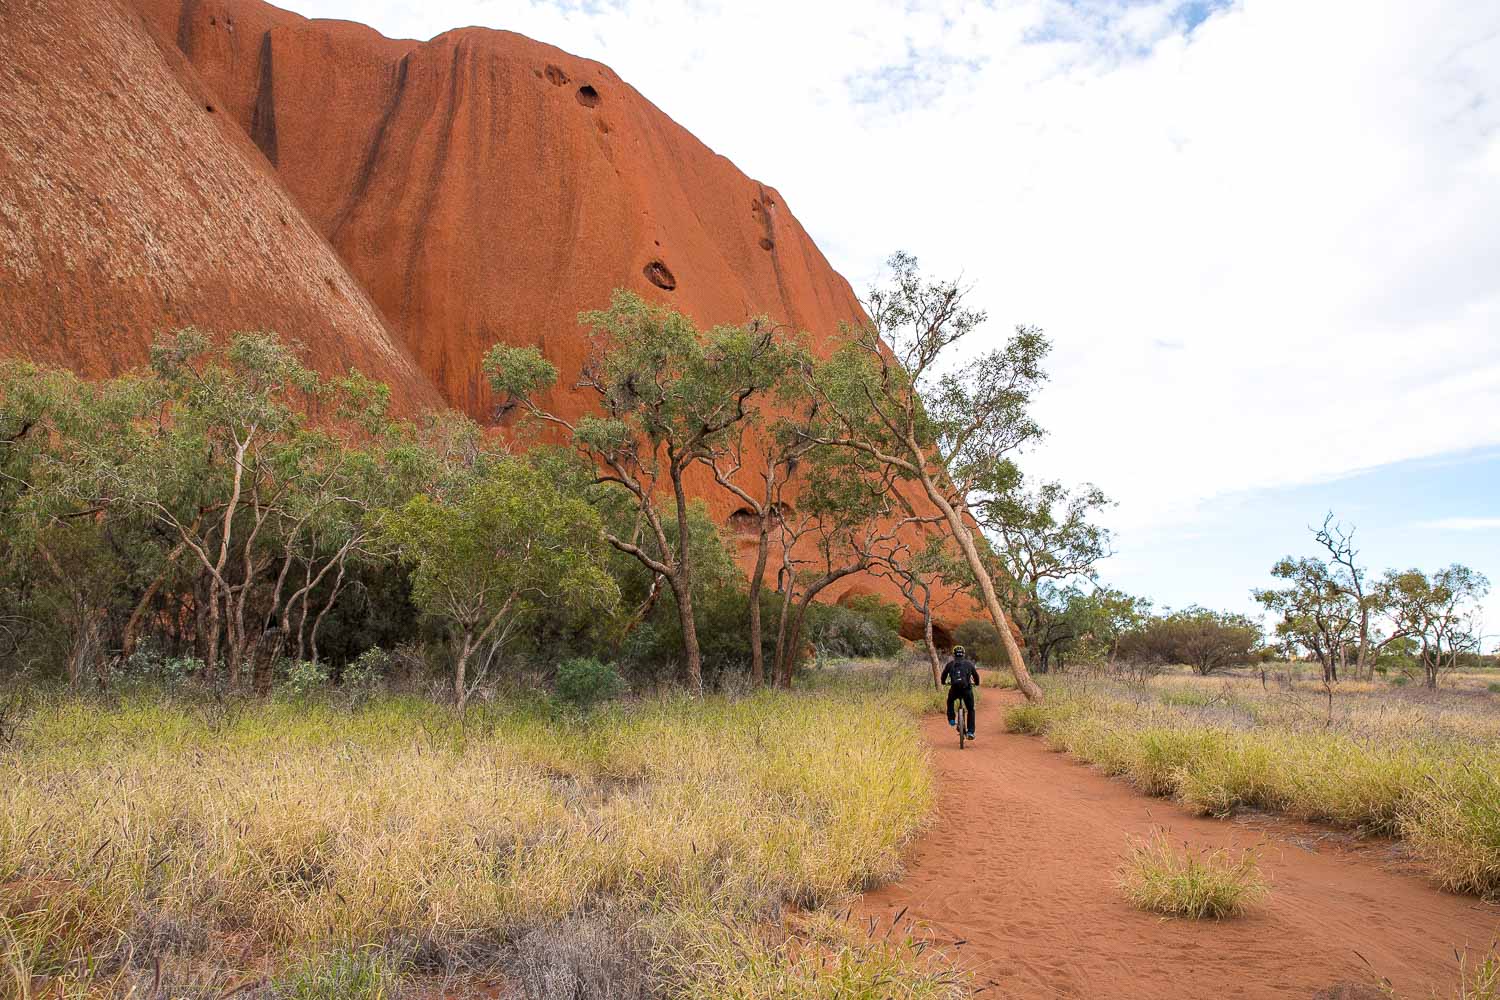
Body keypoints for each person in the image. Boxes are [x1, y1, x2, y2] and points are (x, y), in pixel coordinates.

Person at [941, 645, 979, 740]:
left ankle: (952, 719)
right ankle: (970, 732)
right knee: (971, 709)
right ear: (963, 654)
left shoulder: (950, 664)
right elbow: (976, 675)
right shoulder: (969, 664)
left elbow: (943, 675)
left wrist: (943, 682)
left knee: (950, 701)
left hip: (954, 690)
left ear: (954, 654)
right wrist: (977, 683)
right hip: (967, 690)